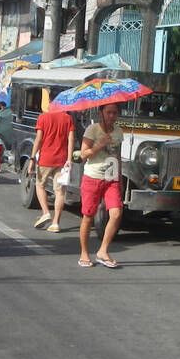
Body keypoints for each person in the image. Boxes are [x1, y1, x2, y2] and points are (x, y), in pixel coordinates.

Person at [78, 102, 124, 268]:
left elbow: (118, 156)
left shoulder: (119, 131)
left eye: (115, 113)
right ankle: (84, 252)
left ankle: (102, 251)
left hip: (111, 179)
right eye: (109, 112)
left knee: (117, 213)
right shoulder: (92, 130)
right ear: (101, 113)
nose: (112, 116)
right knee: (88, 217)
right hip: (93, 178)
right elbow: (83, 155)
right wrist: (100, 144)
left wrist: (120, 180)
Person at [30, 87, 75, 232]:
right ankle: (55, 223)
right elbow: (71, 140)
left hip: (45, 158)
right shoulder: (68, 118)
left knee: (40, 185)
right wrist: (69, 159)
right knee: (60, 192)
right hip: (61, 160)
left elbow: (38, 139)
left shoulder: (43, 117)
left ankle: (45, 213)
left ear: (50, 100)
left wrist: (32, 158)